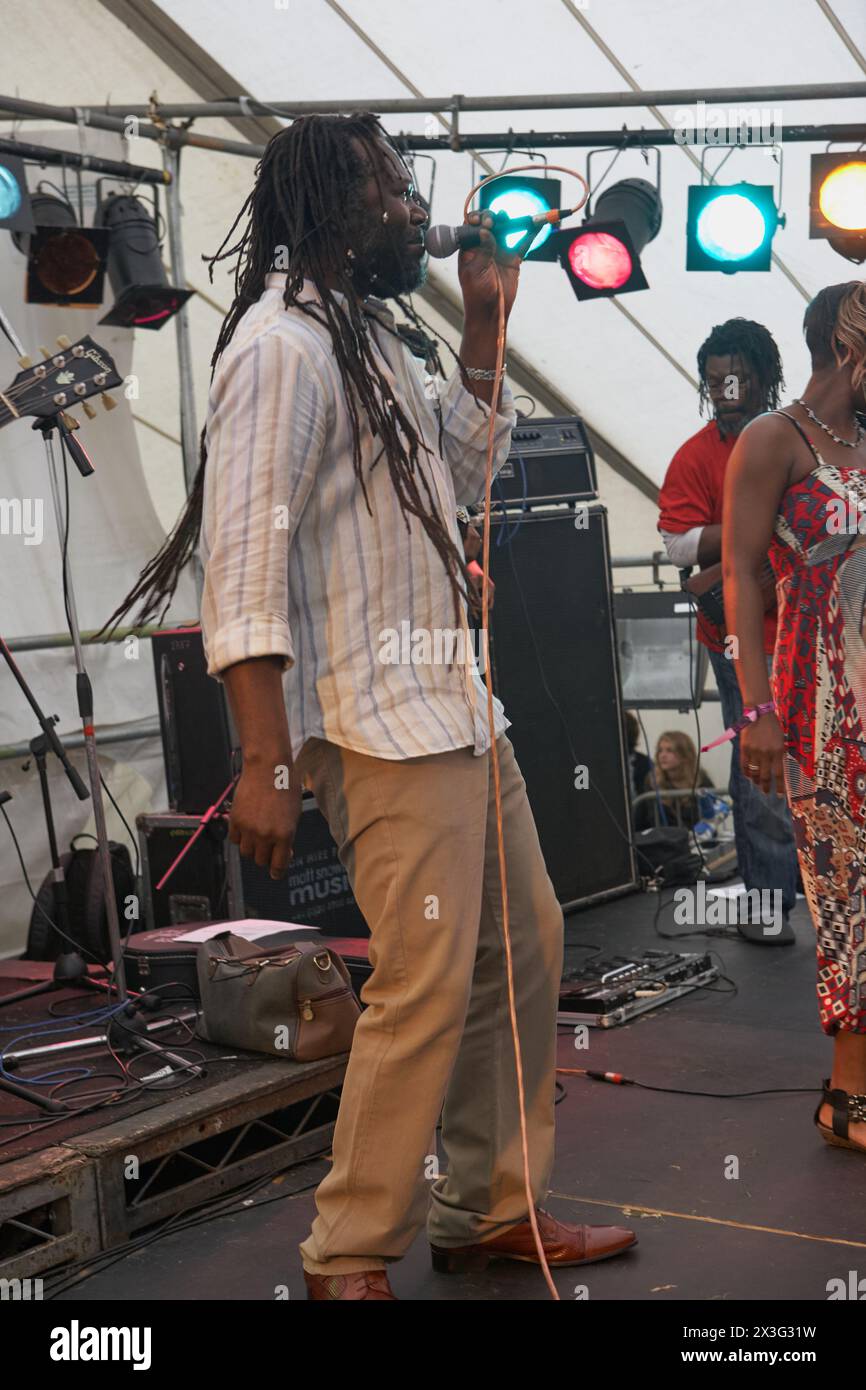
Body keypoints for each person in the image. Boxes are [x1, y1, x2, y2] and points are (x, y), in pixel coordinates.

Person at [103, 112, 635, 1297]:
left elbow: (456, 478)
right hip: (372, 722)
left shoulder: (376, 339)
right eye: (393, 191)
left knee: (524, 946)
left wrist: (486, 330)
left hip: (454, 706)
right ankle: (347, 1252)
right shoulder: (278, 348)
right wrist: (262, 760)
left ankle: (486, 1203)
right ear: (331, 207)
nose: (413, 209)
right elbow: (238, 566)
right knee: (425, 978)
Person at [724, 280, 866, 1153]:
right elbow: (740, 574)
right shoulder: (773, 439)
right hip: (820, 699)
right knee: (847, 891)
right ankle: (848, 1097)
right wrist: (756, 713)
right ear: (850, 352)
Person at [657, 318, 798, 945]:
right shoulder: (695, 454)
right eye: (714, 382)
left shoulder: (802, 438)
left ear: (764, 378)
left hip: (811, 631)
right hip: (739, 641)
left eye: (736, 378)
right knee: (759, 773)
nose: (725, 390)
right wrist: (752, 524)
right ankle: (770, 907)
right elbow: (676, 543)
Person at [636, 731, 714, 831]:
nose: (663, 755)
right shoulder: (652, 780)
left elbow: (711, 817)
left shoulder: (701, 780)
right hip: (663, 840)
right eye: (660, 750)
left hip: (697, 840)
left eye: (669, 750)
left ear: (684, 755)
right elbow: (646, 817)